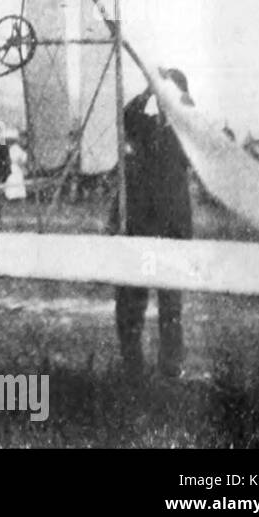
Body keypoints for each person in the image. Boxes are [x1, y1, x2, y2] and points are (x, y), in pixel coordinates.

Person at [112, 67, 194, 380]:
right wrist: (148, 90)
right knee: (131, 302)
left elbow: (193, 118)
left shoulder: (186, 131)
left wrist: (180, 98)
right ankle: (133, 367)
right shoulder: (146, 127)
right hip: (142, 223)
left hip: (171, 227)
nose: (163, 101)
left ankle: (171, 367)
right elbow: (126, 116)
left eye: (167, 95)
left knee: (170, 305)